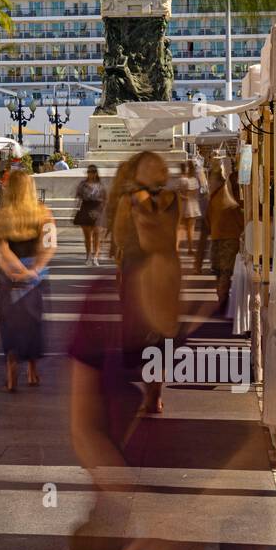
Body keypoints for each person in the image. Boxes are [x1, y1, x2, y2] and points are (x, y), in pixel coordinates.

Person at [107, 151, 181, 415]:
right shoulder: (173, 199)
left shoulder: (129, 200)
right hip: (165, 268)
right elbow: (176, 236)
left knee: (140, 330)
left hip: (137, 269)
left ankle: (150, 390)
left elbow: (119, 238)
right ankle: (155, 393)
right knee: (159, 331)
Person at [0, 170, 56, 391]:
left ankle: (11, 371)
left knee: (9, 324)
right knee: (32, 323)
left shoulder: (1, 215)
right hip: (35, 279)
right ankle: (32, 370)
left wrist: (16, 271)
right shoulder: (43, 213)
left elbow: (1, 248)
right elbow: (49, 245)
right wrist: (33, 271)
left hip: (9, 277)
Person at [207, 158, 244, 314]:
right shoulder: (220, 194)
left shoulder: (222, 193)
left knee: (222, 272)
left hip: (222, 237)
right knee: (223, 272)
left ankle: (221, 299)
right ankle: (222, 299)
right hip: (225, 237)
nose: (208, 183)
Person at [74, 164, 108, 265]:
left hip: (98, 209)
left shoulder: (100, 185)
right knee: (87, 236)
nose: (91, 173)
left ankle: (96, 257)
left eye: (93, 171)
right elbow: (78, 196)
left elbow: (105, 198)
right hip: (86, 208)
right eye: (89, 171)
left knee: (97, 235)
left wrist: (103, 209)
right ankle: (88, 256)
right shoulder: (82, 184)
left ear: (96, 173)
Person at [176, 160, 202, 255]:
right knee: (191, 228)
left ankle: (176, 248)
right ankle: (190, 249)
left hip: (182, 206)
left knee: (180, 228)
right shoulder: (194, 180)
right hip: (193, 206)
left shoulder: (181, 180)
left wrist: (184, 196)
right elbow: (195, 193)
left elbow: (178, 193)